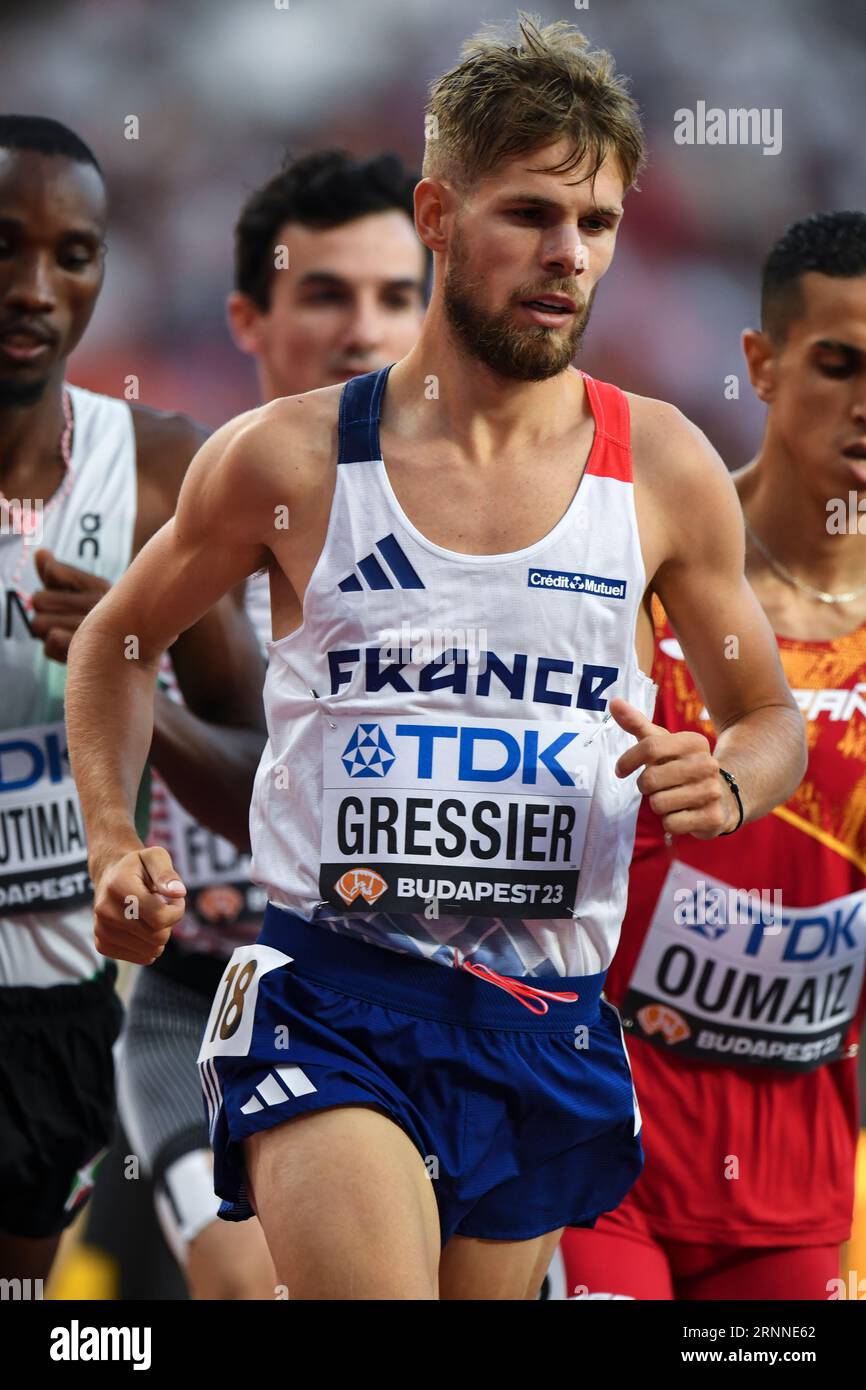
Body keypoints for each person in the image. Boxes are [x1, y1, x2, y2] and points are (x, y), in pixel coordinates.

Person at [65, 16, 807, 1301]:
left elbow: (767, 719)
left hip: (542, 1019)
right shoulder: (288, 460)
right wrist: (106, 838)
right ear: (438, 215)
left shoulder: (666, 466)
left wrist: (729, 777)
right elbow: (116, 641)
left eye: (598, 222)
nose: (567, 257)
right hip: (331, 991)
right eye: (529, 214)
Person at [117, 148, 428, 1299]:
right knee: (251, 1289)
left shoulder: (486, 554)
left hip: (415, 992)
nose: (364, 329)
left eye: (397, 296)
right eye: (325, 293)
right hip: (201, 999)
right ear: (247, 316)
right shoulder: (167, 542)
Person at [560, 210, 866, 1300]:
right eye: (837, 364)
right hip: (601, 1133)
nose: (864, 403)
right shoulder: (645, 562)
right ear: (761, 364)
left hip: (796, 1171)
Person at [0, 114, 265, 1285]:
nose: (35, 287)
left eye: (73, 253)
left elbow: (266, 778)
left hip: (55, 1007)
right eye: (4, 245)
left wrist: (128, 676)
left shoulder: (160, 471)